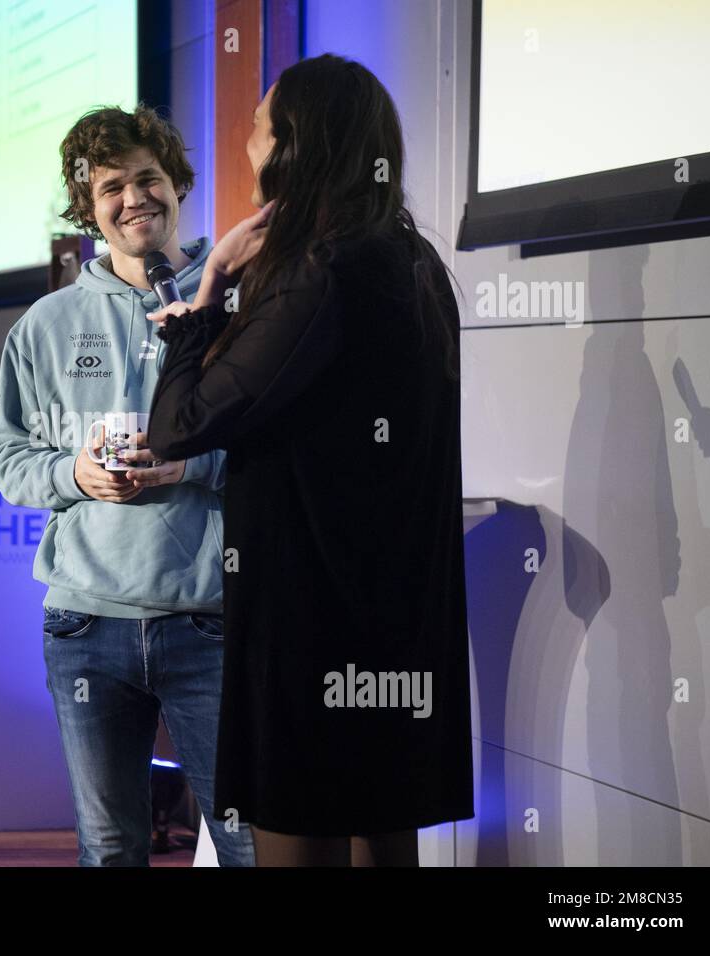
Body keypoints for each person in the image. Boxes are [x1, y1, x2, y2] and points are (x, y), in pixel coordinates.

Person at [147, 54, 474, 866]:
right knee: (382, 829)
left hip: (310, 622)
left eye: (258, 129)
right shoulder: (416, 262)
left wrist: (212, 284)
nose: (248, 145)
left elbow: (180, 424)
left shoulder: (319, 272)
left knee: (306, 832)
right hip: (389, 624)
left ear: (296, 144)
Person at [0, 106, 255, 866]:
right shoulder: (45, 323)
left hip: (210, 618)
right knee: (108, 849)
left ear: (178, 185)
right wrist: (75, 472)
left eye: (148, 179)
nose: (134, 199)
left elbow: (278, 444)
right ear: (88, 207)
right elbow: (7, 455)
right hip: (85, 625)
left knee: (248, 843)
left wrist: (186, 463)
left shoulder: (237, 299)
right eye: (112, 188)